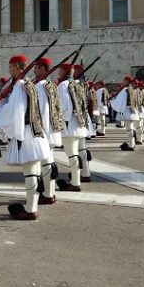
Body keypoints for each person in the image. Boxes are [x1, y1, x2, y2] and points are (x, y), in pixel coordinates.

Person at [0, 54, 51, 220]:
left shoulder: (19, 85)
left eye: (10, 67)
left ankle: (31, 210)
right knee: (35, 171)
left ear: (17, 67)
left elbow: (14, 110)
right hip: (37, 132)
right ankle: (33, 205)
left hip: (27, 134)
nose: (9, 70)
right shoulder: (29, 84)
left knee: (30, 173)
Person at [54, 63, 88, 191]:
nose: (58, 73)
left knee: (72, 154)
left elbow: (64, 105)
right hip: (79, 122)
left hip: (69, 124)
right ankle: (76, 179)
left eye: (60, 71)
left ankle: (75, 182)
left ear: (63, 71)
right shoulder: (78, 84)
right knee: (75, 153)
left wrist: (60, 118)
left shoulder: (63, 85)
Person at [34, 57, 62, 205]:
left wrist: (41, 130)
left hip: (45, 129)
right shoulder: (51, 85)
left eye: (37, 68)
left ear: (44, 69)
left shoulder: (40, 86)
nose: (35, 70)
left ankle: (47, 194)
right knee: (49, 160)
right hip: (53, 127)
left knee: (45, 162)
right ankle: (51, 192)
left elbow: (43, 110)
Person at [111, 76, 140, 151]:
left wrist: (112, 100)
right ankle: (132, 144)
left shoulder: (125, 90)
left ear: (127, 81)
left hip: (127, 110)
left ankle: (131, 145)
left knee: (129, 129)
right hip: (133, 110)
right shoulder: (134, 90)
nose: (123, 82)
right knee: (131, 128)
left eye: (124, 80)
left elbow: (120, 101)